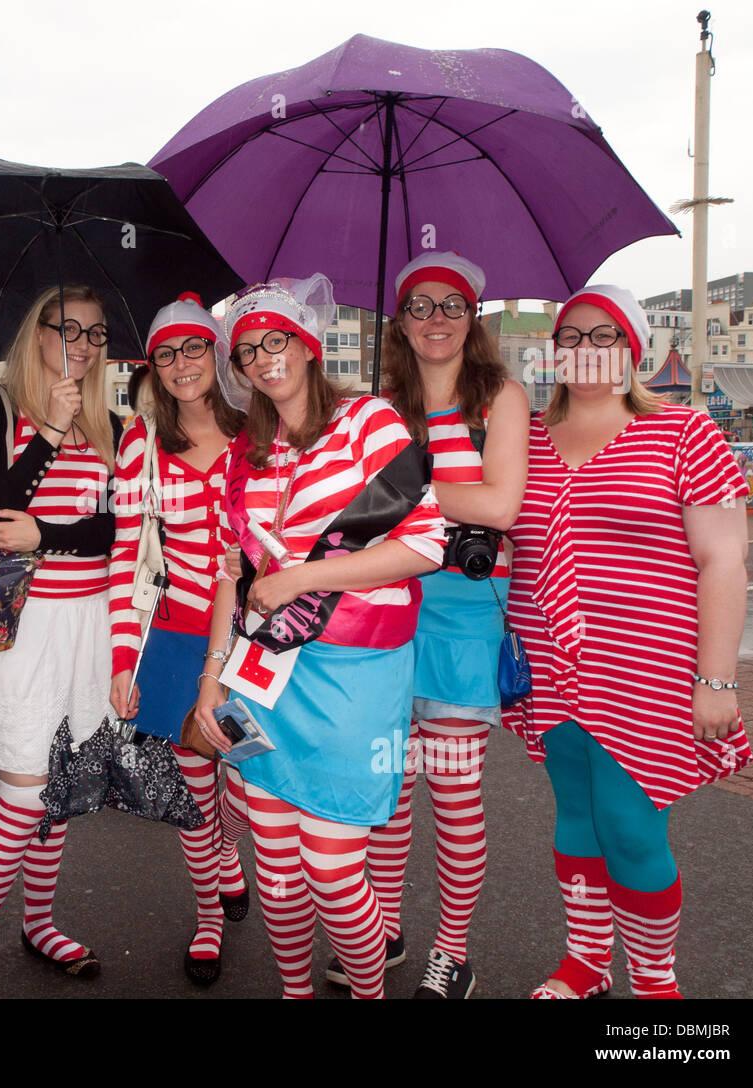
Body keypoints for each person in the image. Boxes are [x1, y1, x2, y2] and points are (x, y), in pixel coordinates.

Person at [196, 276, 445, 999]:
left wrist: (302, 579)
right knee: (275, 867)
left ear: (306, 346)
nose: (265, 359)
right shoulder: (244, 458)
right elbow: (225, 577)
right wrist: (213, 678)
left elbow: (427, 545)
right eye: (247, 351)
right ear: (237, 369)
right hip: (260, 675)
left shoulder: (371, 423)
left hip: (356, 676)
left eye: (277, 341)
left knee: (333, 870)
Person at [504, 285, 752, 999]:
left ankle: (654, 985)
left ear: (634, 349)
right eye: (572, 336)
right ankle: (586, 961)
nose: (586, 350)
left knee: (631, 826)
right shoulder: (526, 441)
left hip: (647, 670)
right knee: (577, 817)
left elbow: (724, 561)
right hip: (549, 665)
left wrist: (718, 680)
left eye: (604, 335)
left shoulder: (684, 432)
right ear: (554, 352)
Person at [347, 253, 529, 999]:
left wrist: (412, 488)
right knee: (389, 793)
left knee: (453, 795)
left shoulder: (500, 400)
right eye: (419, 306)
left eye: (451, 305)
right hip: (389, 616)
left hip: (461, 626)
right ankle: (385, 931)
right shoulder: (380, 406)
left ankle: (452, 951)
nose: (435, 320)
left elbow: (502, 509)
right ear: (400, 322)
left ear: (473, 317)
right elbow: (357, 510)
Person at [0, 285, 122, 998]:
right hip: (19, 629)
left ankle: (39, 921)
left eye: (96, 333)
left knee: (63, 786)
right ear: (37, 333)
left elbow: (119, 532)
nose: (80, 343)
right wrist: (46, 431)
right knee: (23, 794)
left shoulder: (110, 422)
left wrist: (49, 536)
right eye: (66, 328)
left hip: (91, 625)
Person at [107, 292, 249, 985]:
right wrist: (118, 661)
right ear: (153, 367)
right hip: (175, 636)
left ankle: (234, 855)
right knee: (194, 785)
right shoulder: (142, 443)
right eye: (167, 353)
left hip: (255, 640)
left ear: (219, 354)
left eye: (195, 347)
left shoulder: (261, 430)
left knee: (252, 779)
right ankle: (210, 916)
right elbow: (121, 554)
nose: (182, 363)